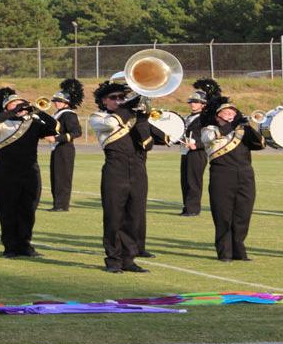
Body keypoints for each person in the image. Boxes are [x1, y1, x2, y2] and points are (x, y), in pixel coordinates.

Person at [89, 81, 168, 273]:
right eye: (113, 98)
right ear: (103, 101)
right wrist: (127, 108)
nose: (118, 100)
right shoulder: (98, 117)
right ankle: (114, 260)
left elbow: (157, 140)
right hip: (115, 171)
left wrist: (142, 119)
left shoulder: (134, 118)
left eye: (121, 97)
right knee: (114, 217)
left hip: (139, 171)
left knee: (135, 217)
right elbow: (111, 123)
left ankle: (129, 259)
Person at [0, 88, 58, 258]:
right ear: (6, 108)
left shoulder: (33, 122)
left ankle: (25, 244)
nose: (20, 106)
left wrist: (37, 110)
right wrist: (12, 113)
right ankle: (10, 247)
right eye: (14, 104)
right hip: (6, 172)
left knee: (28, 209)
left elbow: (54, 128)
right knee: (7, 210)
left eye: (21, 104)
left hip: (30, 171)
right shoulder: (1, 123)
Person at [200, 93, 265, 262]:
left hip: (245, 174)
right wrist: (232, 125)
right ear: (217, 116)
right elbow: (211, 139)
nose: (230, 114)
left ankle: (239, 250)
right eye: (226, 112)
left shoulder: (242, 130)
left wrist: (249, 127)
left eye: (232, 112)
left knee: (243, 214)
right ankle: (224, 252)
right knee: (223, 214)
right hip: (222, 175)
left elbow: (259, 145)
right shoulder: (209, 129)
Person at [46, 78, 84, 212]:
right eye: (55, 101)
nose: (55, 103)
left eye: (58, 101)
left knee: (63, 177)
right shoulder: (57, 114)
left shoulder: (68, 115)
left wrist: (56, 138)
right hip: (57, 149)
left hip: (65, 149)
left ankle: (62, 205)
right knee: (55, 176)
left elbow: (76, 132)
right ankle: (57, 204)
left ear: (65, 103)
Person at [180, 80, 215, 217]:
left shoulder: (206, 118)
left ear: (203, 104)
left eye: (196, 102)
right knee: (185, 180)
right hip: (186, 151)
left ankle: (193, 209)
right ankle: (186, 207)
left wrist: (197, 145)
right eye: (191, 102)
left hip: (198, 152)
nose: (193, 104)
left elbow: (209, 136)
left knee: (193, 181)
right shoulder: (189, 117)